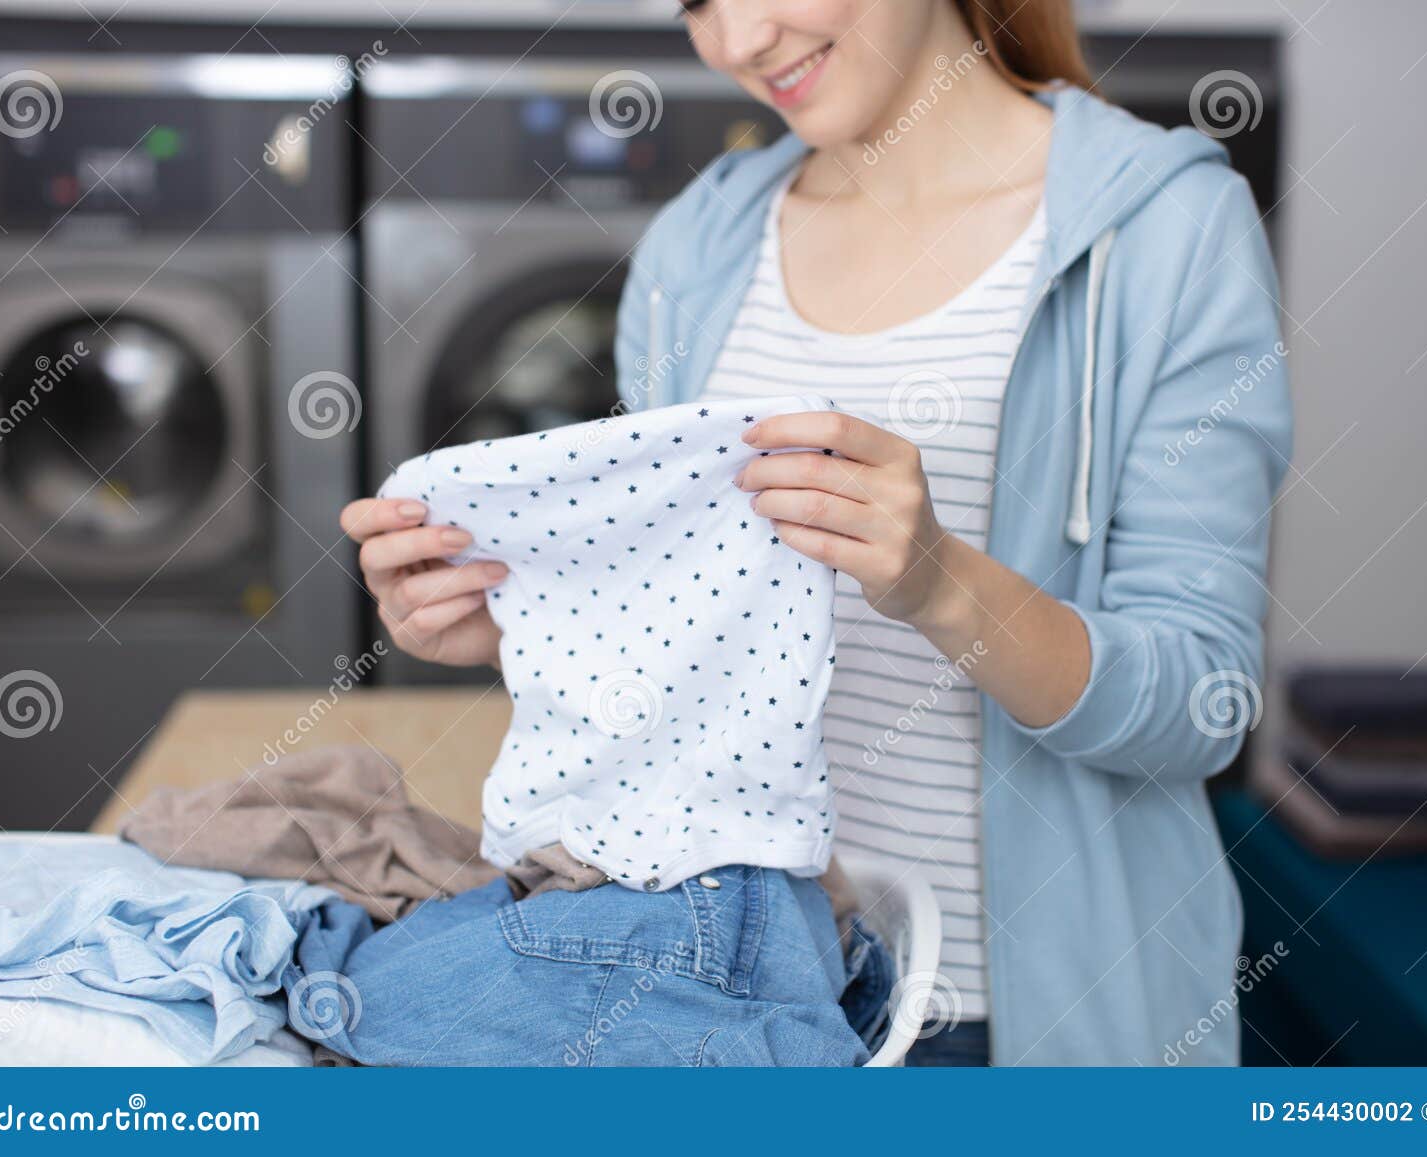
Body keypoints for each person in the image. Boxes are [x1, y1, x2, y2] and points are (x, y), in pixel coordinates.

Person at [341, 0, 1291, 1066]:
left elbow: (1200, 702)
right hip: (729, 1004)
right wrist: (521, 618)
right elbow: (685, 652)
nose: (737, 42)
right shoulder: (698, 246)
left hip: (1027, 1032)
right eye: (696, 3)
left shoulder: (1166, 232)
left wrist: (940, 583)